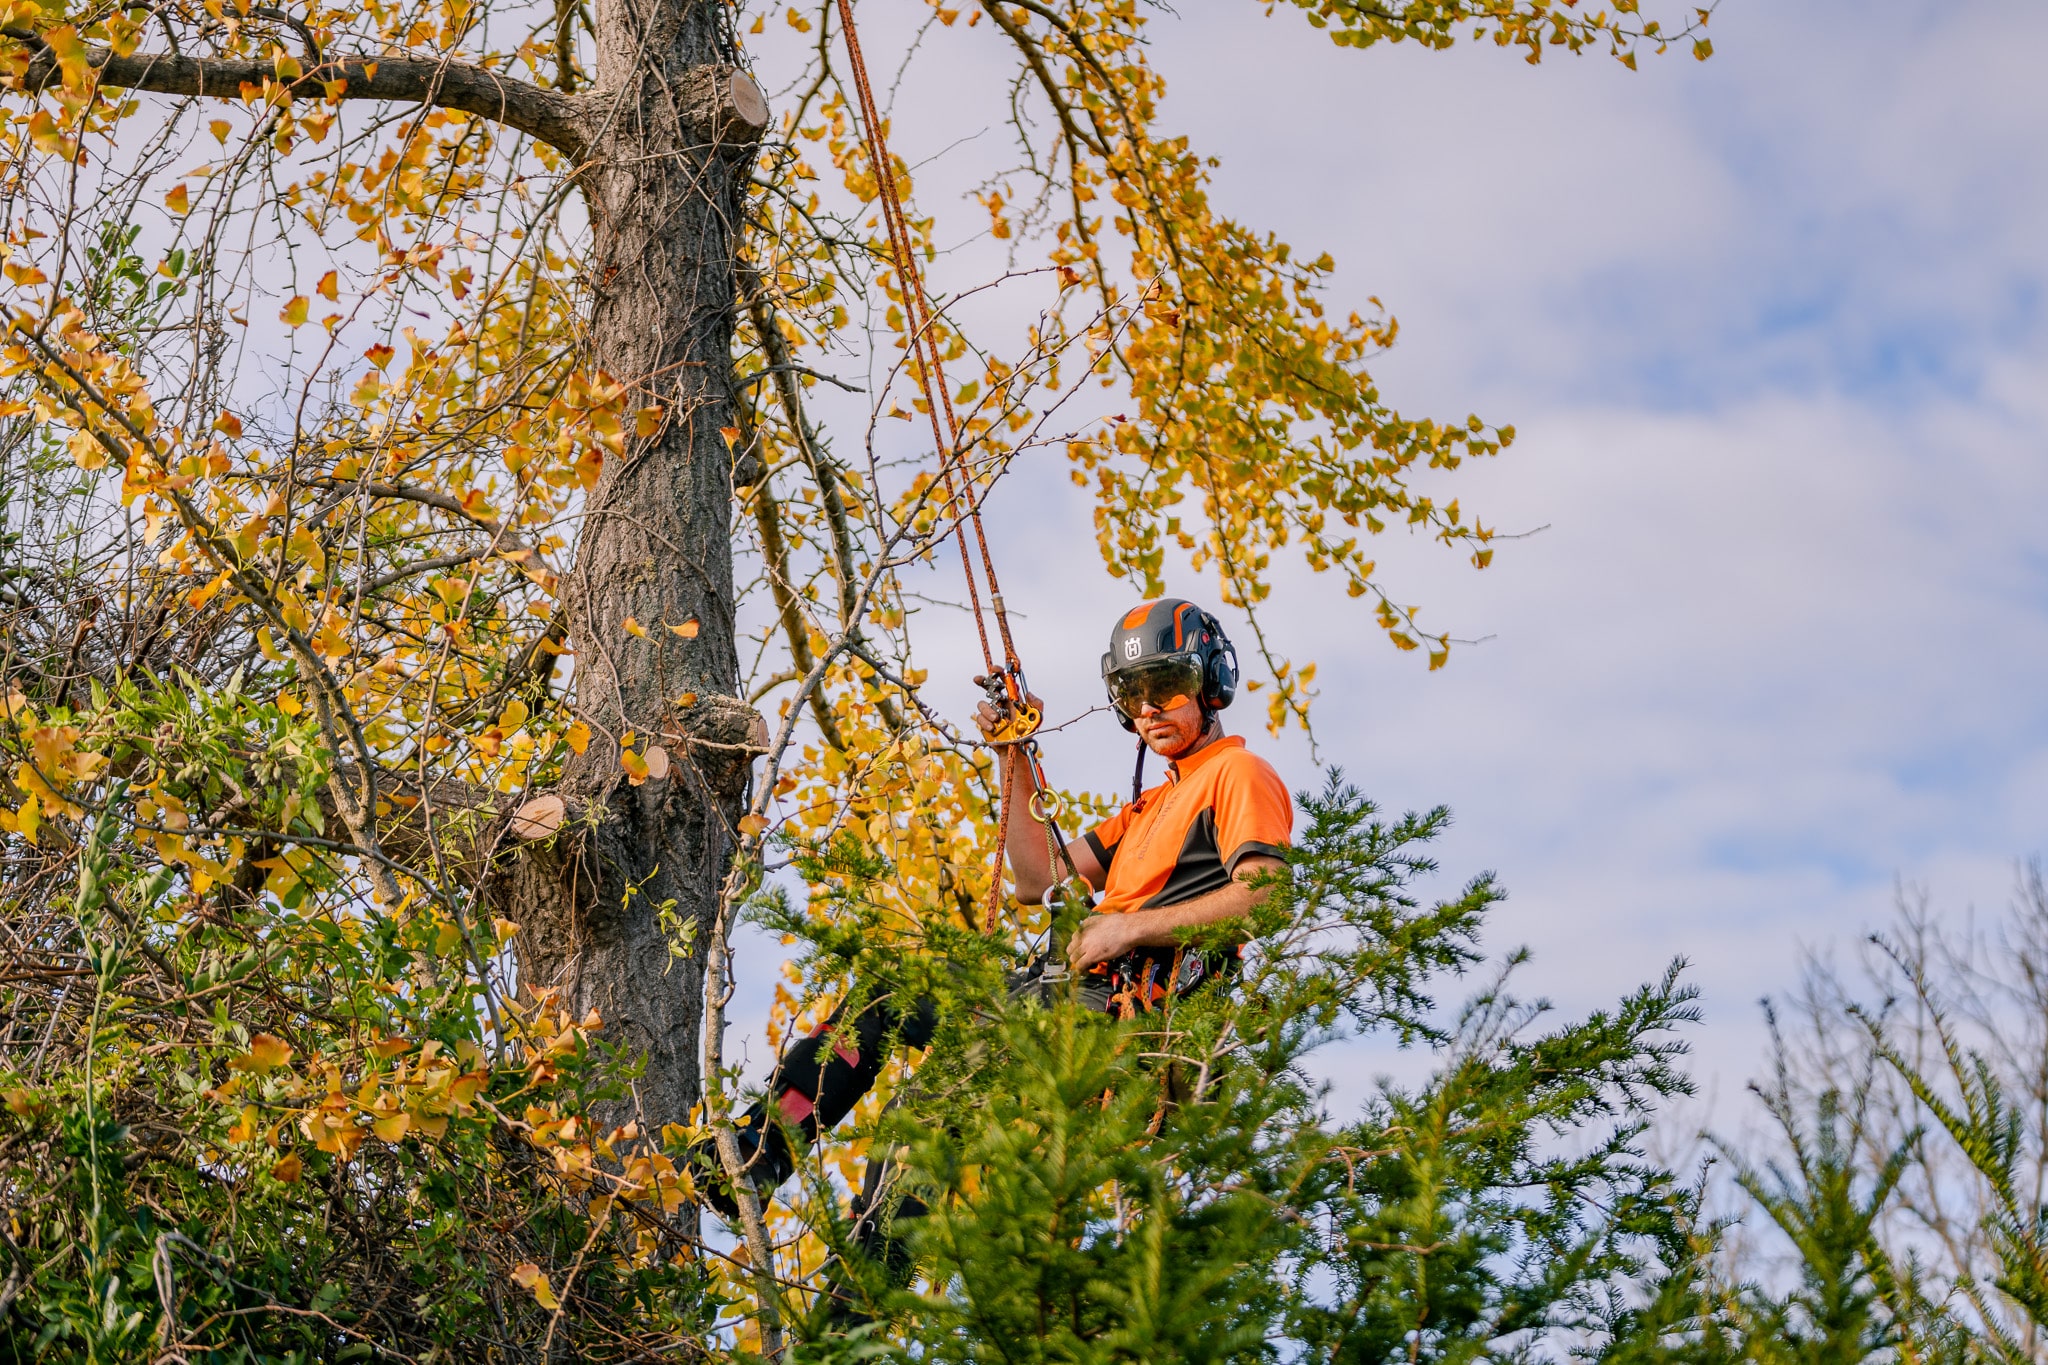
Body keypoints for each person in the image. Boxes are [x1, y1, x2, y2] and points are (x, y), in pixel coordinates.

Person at [697, 598, 1292, 1219]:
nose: (1147, 708)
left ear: (1211, 684)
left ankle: (858, 1310)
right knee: (889, 991)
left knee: (923, 1115)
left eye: (1166, 687)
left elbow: (1266, 897)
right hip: (1060, 999)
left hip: (1118, 1019)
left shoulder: (1239, 774)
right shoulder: (1147, 809)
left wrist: (1128, 926)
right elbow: (1040, 878)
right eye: (1131, 691)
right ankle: (757, 1155)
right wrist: (1013, 754)